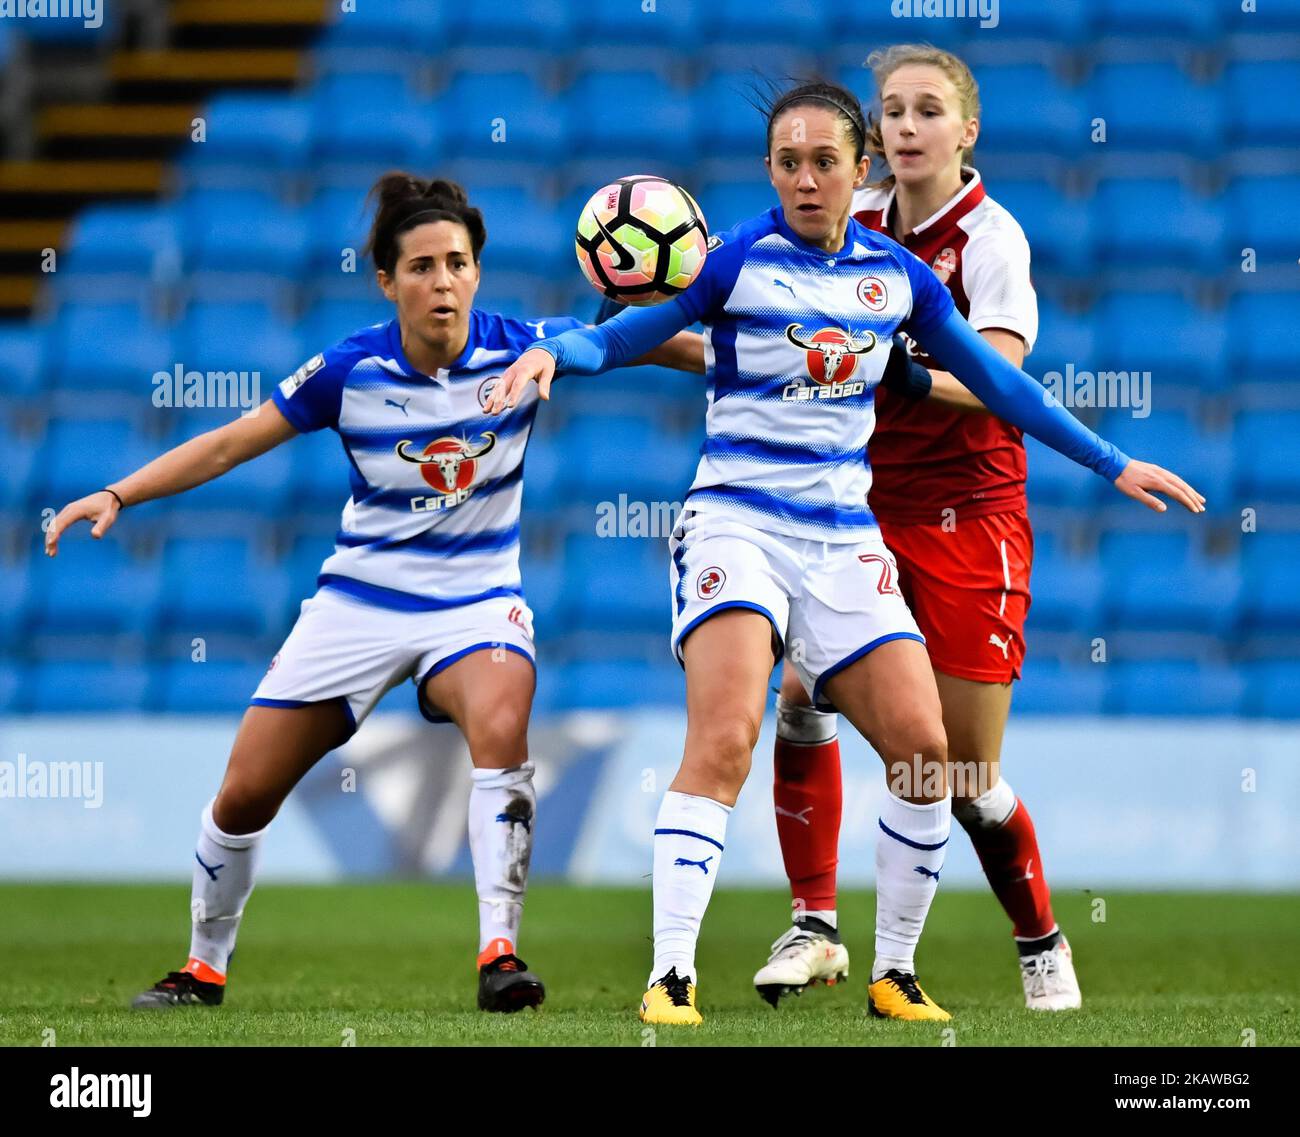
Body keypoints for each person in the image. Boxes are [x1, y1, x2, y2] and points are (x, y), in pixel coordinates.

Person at [485, 80, 1203, 1026]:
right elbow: (633, 332)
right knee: (730, 733)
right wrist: (559, 354)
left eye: (826, 161)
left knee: (923, 752)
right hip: (737, 524)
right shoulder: (737, 259)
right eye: (789, 162)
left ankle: (893, 972)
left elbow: (1000, 385)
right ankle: (672, 975)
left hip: (842, 539)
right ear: (771, 171)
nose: (807, 178)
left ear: (858, 167)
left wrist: (1111, 460)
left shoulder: (899, 276)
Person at [43, 173, 699, 1014]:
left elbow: (636, 340)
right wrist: (120, 493)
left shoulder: (526, 348)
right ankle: (201, 967)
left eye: (457, 263)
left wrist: (742, 353)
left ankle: (500, 951)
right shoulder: (349, 371)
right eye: (421, 266)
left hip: (477, 598)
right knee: (243, 793)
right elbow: (228, 445)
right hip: (360, 601)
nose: (443, 281)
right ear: (386, 281)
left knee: (502, 720)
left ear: (477, 271)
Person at [755, 45, 1094, 1012]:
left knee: (959, 773)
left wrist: (893, 372)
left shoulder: (991, 240)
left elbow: (1000, 387)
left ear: (966, 129)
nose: (904, 127)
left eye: (927, 110)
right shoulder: (849, 223)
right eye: (891, 112)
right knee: (798, 692)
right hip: (857, 505)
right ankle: (816, 922)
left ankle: (1040, 936)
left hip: (970, 517)